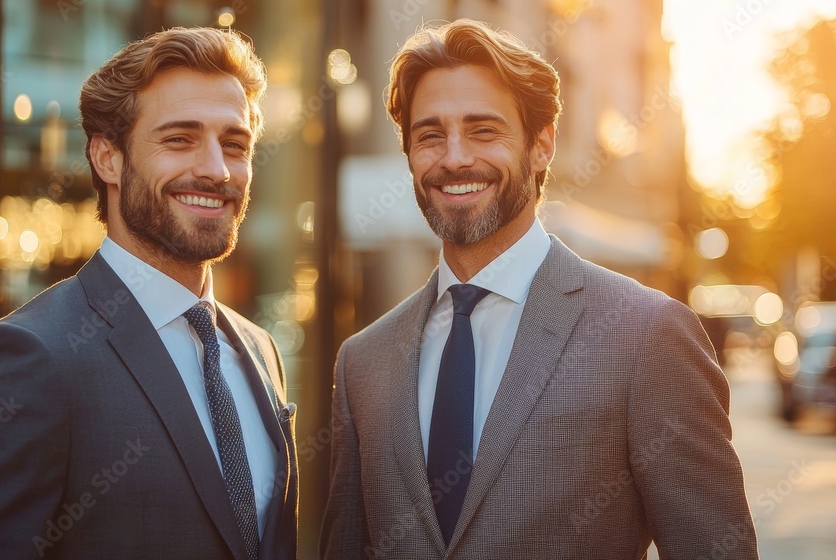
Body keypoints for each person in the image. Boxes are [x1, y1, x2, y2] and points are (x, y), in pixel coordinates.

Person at [320, 19, 757, 559]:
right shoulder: (362, 361)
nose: (454, 157)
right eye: (430, 134)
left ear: (541, 144)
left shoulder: (648, 336)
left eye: (483, 130)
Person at [0, 27, 297, 560]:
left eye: (235, 144)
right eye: (179, 139)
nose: (216, 169)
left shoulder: (258, 350)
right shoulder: (24, 359)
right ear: (107, 158)